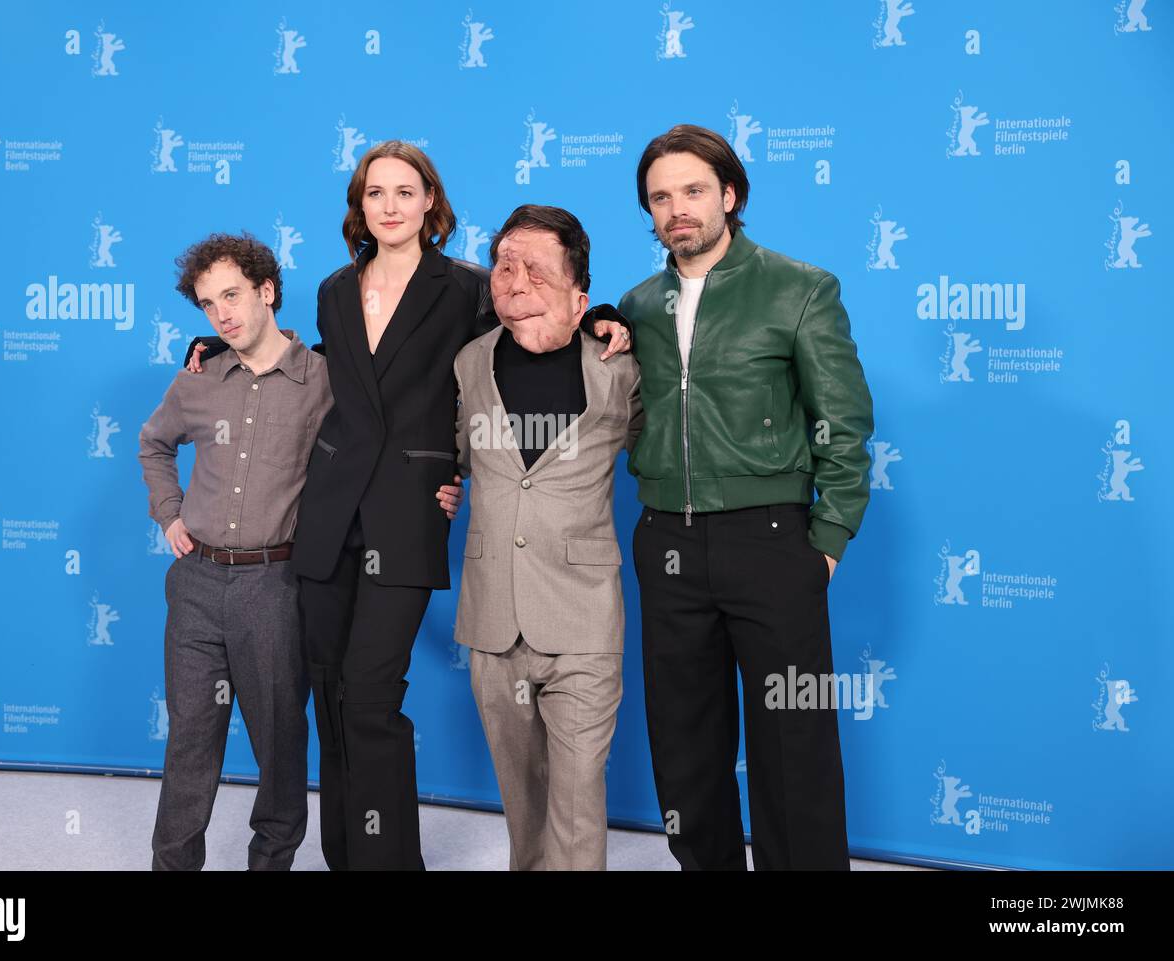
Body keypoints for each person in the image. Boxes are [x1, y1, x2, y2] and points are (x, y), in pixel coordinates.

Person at [185, 141, 631, 870]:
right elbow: (321, 362)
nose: (388, 206)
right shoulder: (333, 288)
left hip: (410, 510)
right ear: (359, 208)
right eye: (373, 194)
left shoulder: (468, 287)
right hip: (326, 515)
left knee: (369, 696)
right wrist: (230, 339)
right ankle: (344, 856)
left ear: (431, 202)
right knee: (328, 696)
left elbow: (537, 320)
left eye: (403, 191)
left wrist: (605, 317)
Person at [617, 124, 875, 870]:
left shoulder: (799, 288)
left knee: (794, 744)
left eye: (694, 190)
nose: (678, 209)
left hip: (771, 540)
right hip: (667, 541)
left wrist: (824, 544)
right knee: (685, 745)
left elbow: (846, 424)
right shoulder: (638, 306)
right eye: (660, 198)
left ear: (729, 195)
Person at [452, 205, 642, 870]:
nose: (515, 276)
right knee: (524, 798)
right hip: (492, 615)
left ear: (579, 295)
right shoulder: (467, 363)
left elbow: (672, 456)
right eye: (505, 263)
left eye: (536, 266)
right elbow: (433, 448)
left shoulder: (619, 366)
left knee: (577, 792)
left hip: (584, 617)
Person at [139, 231, 332, 870]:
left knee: (279, 740)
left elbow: (377, 447)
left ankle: (270, 861)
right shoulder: (198, 380)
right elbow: (155, 443)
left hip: (274, 587)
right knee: (190, 738)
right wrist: (169, 513)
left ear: (267, 292)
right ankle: (173, 864)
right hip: (196, 585)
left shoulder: (321, 381)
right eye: (207, 303)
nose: (222, 313)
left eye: (233, 295)